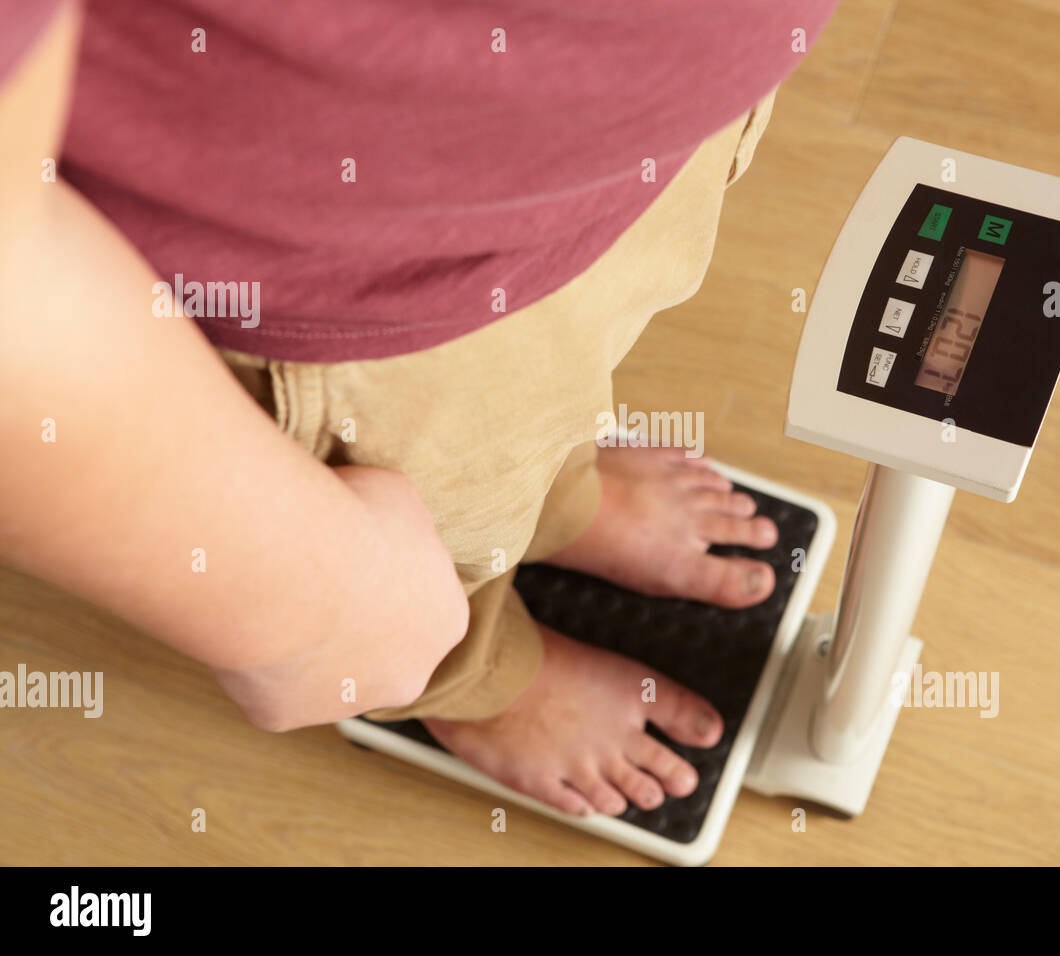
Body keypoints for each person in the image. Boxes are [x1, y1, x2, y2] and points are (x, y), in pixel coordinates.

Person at [0, 1, 836, 818]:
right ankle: (482, 681)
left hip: (635, 152)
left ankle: (560, 503)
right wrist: (308, 603)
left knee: (552, 400)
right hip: (353, 289)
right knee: (446, 525)